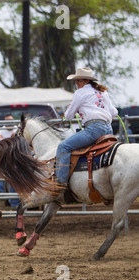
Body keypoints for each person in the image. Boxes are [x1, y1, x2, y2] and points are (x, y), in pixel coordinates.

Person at [45, 67, 118, 203]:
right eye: (76, 81)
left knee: (63, 147)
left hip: (93, 129)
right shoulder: (102, 92)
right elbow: (114, 112)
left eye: (78, 80)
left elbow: (68, 115)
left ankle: (60, 185)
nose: (76, 83)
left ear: (85, 81)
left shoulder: (80, 93)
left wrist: (80, 111)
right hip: (108, 129)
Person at [0, 114, 19, 208]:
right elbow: (0, 142)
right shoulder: (0, 129)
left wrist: (7, 141)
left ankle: (13, 202)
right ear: (4, 122)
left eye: (11, 120)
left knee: (14, 174)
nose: (9, 123)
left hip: (14, 157)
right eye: (7, 121)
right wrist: (12, 139)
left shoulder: (17, 129)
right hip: (3, 156)